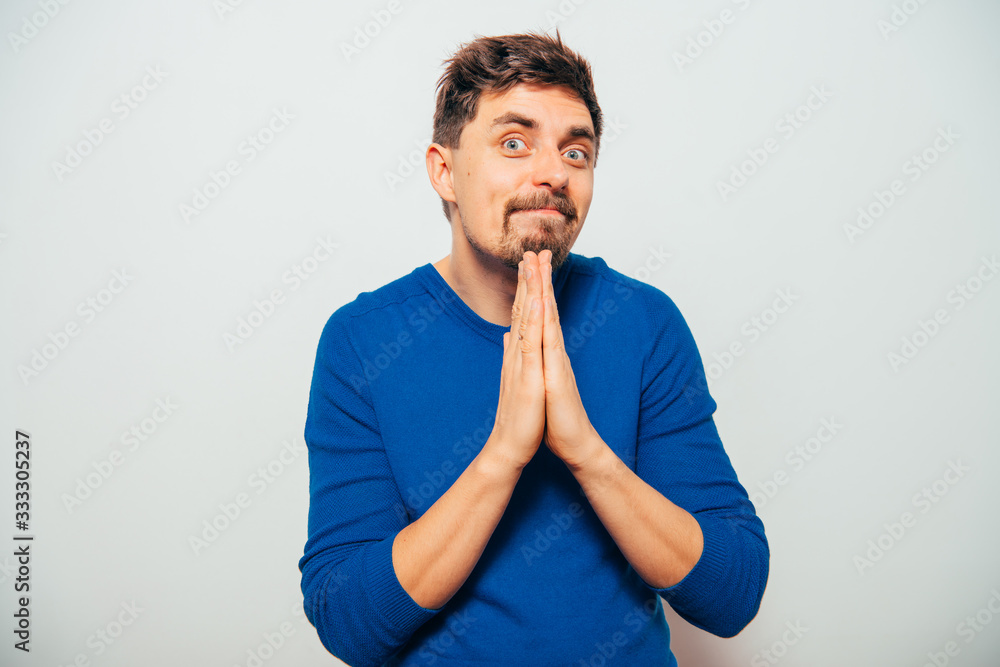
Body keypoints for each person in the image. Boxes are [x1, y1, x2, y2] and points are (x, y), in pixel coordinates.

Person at [298, 30, 768, 667]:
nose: (552, 172)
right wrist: (504, 454)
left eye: (576, 151)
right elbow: (348, 622)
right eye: (514, 143)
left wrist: (584, 451)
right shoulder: (362, 341)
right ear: (445, 172)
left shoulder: (644, 324)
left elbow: (731, 593)